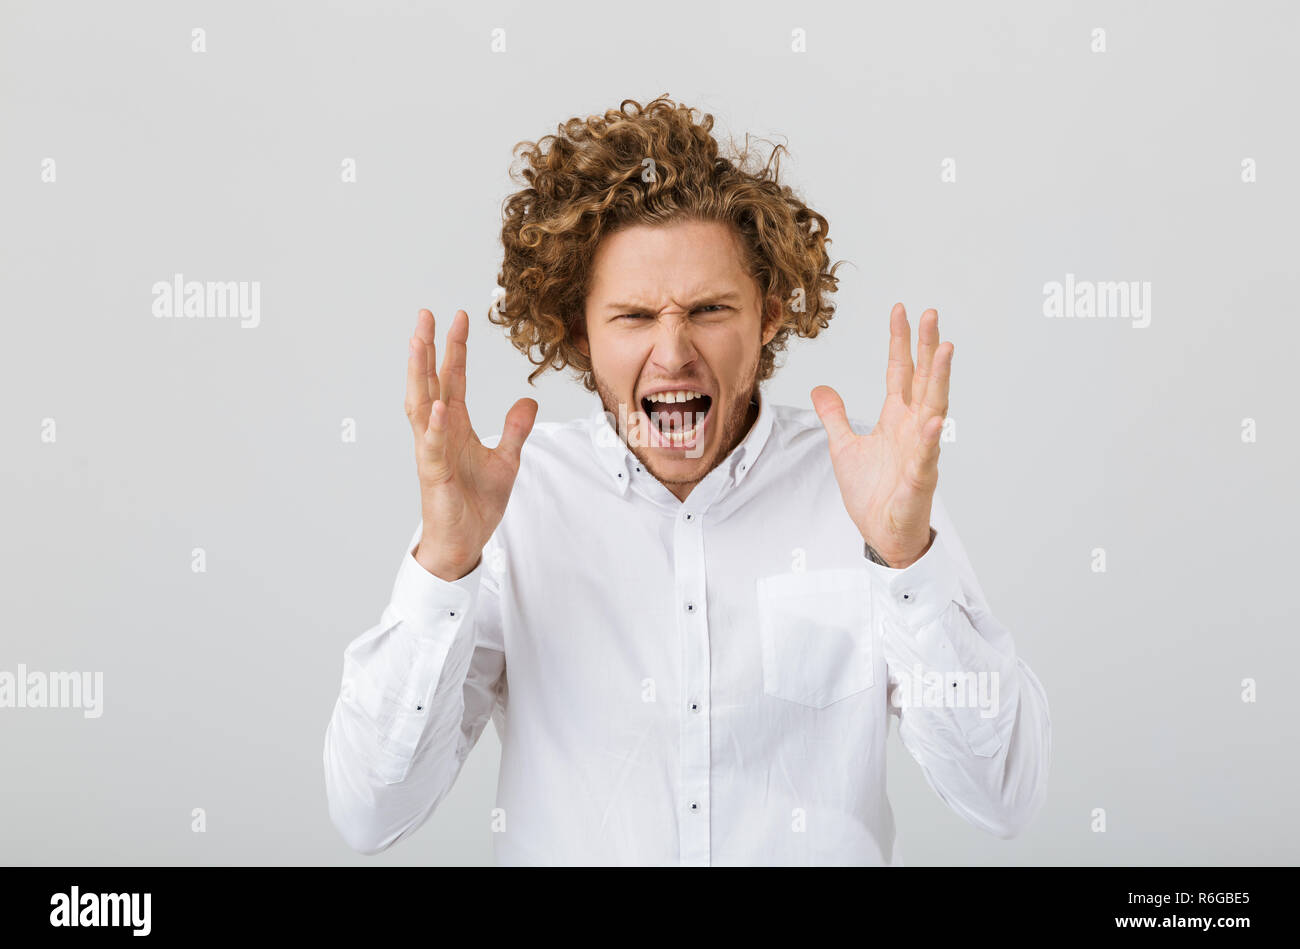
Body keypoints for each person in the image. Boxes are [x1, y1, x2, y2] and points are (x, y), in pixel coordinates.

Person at [323, 95, 1051, 865]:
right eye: (634, 316)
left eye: (709, 309)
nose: (673, 353)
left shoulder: (867, 494)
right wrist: (444, 564)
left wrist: (907, 564)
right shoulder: (510, 508)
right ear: (579, 334)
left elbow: (1005, 799)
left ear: (769, 314)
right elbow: (371, 814)